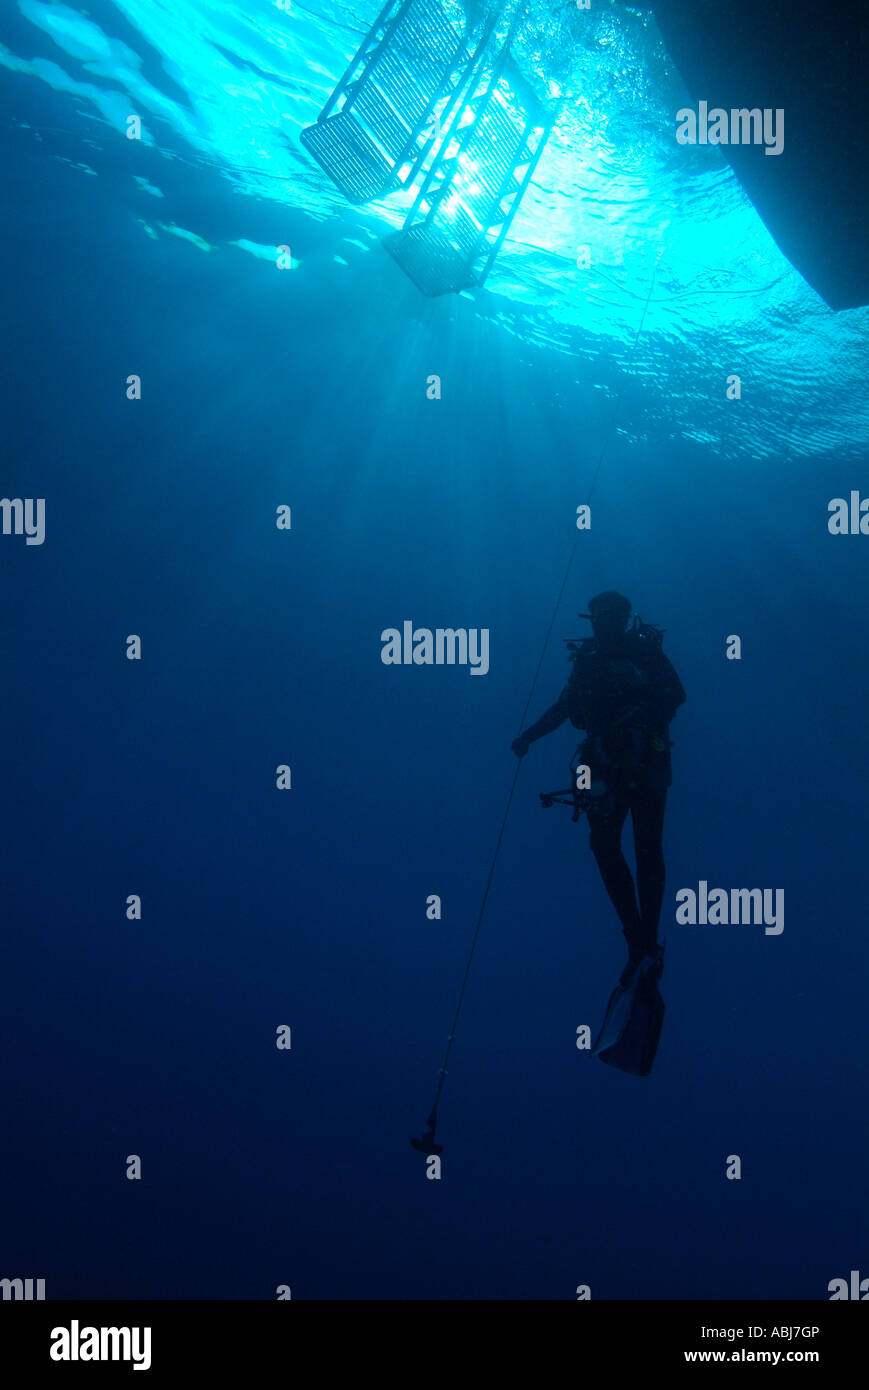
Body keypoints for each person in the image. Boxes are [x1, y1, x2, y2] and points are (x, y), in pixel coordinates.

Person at [512, 591, 686, 987]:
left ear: (625, 619)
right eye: (601, 616)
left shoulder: (645, 653)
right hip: (603, 764)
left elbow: (677, 694)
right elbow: (563, 708)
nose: (606, 623)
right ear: (592, 620)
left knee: (645, 846)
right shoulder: (587, 663)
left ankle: (645, 938)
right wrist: (528, 737)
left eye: (613, 616)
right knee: (605, 846)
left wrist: (641, 712)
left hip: (646, 761)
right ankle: (637, 939)